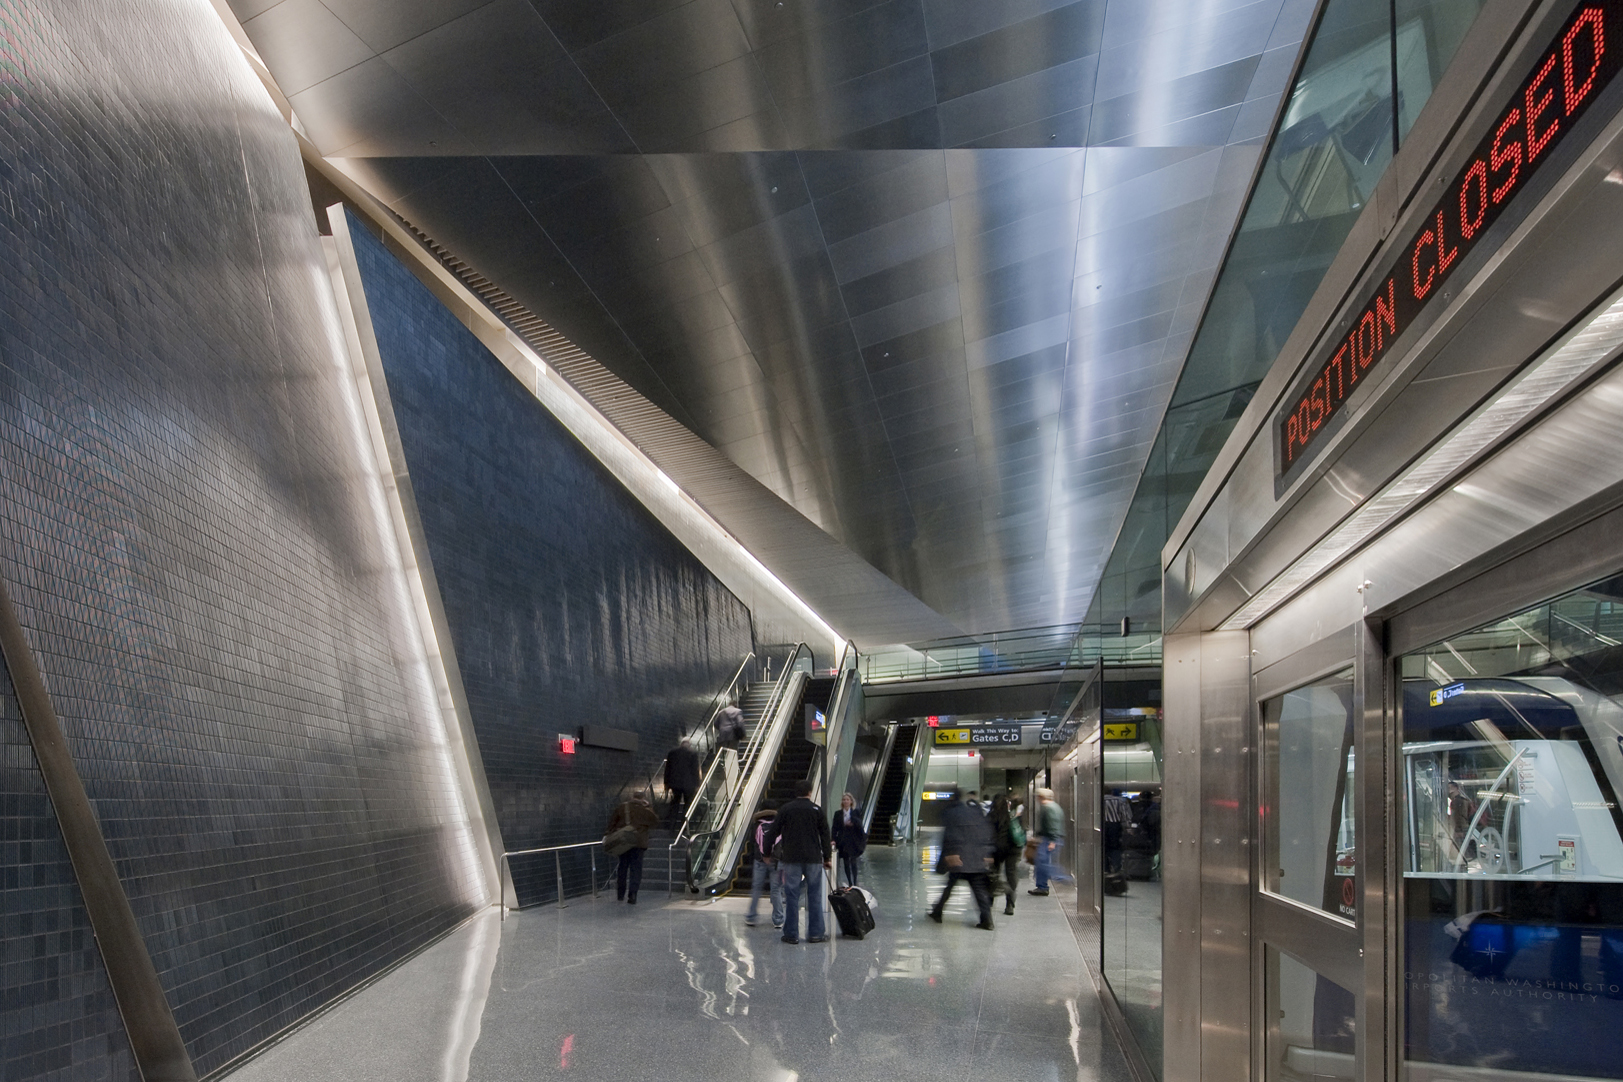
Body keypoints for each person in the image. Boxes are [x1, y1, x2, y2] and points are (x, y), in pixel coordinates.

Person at [763, 778, 831, 944]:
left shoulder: (786, 809)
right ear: (810, 792)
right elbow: (825, 835)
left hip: (791, 858)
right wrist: (827, 857)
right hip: (813, 858)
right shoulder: (817, 810)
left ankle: (791, 934)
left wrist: (766, 852)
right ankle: (816, 934)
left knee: (791, 895)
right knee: (814, 895)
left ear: (796, 792)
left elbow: (772, 832)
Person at [928, 786, 995, 929]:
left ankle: (937, 912)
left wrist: (949, 855)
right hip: (976, 858)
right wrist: (987, 854)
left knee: (950, 886)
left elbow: (949, 836)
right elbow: (985, 832)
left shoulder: (951, 813)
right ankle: (987, 920)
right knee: (979, 890)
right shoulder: (975, 812)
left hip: (958, 857)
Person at [606, 790, 659, 904]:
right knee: (636, 869)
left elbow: (612, 823)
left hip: (624, 842)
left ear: (632, 797)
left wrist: (610, 833)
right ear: (643, 798)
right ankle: (633, 894)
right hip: (638, 844)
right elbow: (655, 822)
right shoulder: (645, 810)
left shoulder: (622, 807)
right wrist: (649, 807)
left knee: (622, 867)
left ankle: (620, 894)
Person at [745, 801, 784, 928]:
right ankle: (778, 919)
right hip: (776, 861)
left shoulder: (757, 824)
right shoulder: (779, 823)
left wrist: (755, 857)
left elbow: (752, 843)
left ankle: (751, 916)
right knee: (776, 890)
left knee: (756, 888)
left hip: (759, 860)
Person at [1029, 787, 1069, 895]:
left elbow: (1053, 825)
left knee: (1043, 863)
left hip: (1049, 839)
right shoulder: (1054, 806)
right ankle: (1042, 886)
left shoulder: (1048, 808)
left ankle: (1061, 877)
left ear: (1041, 796)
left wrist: (1052, 840)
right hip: (1050, 838)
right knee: (1041, 863)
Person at [990, 793, 1021, 915]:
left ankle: (989, 900)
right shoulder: (1013, 815)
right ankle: (1010, 905)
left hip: (997, 849)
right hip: (1013, 849)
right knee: (1011, 874)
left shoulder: (992, 815)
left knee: (993, 874)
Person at [663, 737, 701, 827]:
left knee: (675, 803)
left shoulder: (672, 752)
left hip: (675, 784)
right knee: (688, 804)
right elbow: (695, 770)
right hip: (689, 784)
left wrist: (666, 783)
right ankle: (684, 825)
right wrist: (697, 784)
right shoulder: (693, 753)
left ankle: (671, 825)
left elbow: (667, 769)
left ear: (681, 743)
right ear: (689, 744)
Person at [831, 791, 866, 888]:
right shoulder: (838, 814)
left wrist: (853, 822)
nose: (845, 801)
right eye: (844, 800)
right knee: (846, 861)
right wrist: (833, 839)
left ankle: (855, 881)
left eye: (847, 800)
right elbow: (834, 827)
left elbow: (860, 825)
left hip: (853, 840)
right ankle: (850, 882)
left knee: (853, 861)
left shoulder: (855, 812)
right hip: (843, 840)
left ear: (851, 801)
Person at [1102, 788, 1130, 874]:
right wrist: (1127, 827)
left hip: (1103, 825)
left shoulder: (1098, 800)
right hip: (1115, 825)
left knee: (1103, 847)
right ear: (1112, 792)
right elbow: (1125, 815)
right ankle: (1116, 867)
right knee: (1115, 847)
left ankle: (1105, 868)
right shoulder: (1120, 800)